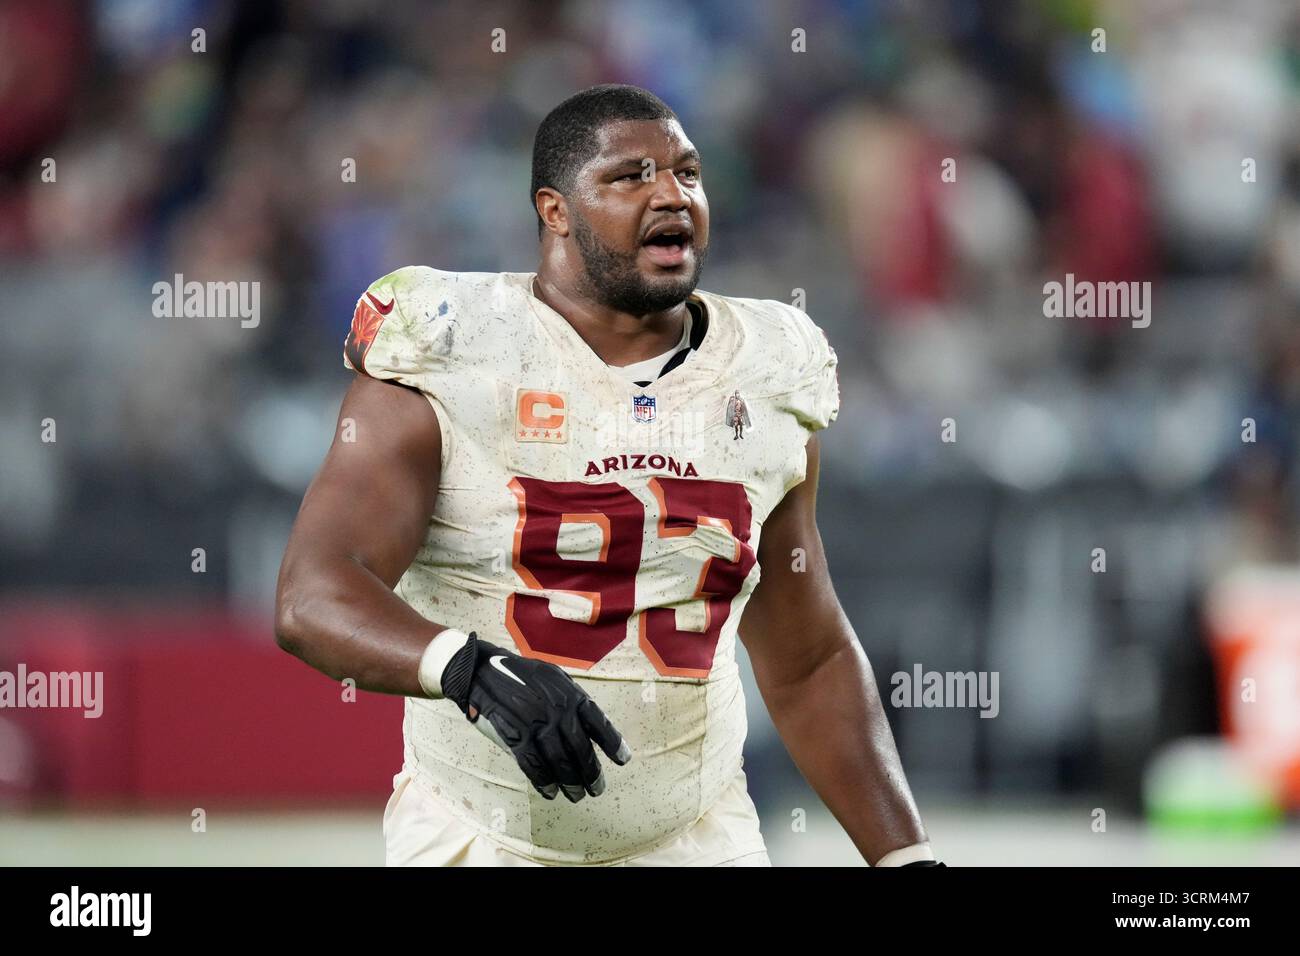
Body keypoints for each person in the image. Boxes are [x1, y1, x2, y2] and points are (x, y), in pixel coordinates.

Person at [275, 84, 940, 867]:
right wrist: (462, 663)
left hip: (696, 837)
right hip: (479, 839)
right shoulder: (451, 346)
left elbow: (807, 657)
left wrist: (905, 858)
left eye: (687, 173)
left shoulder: (767, 369)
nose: (671, 194)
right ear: (554, 210)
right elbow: (312, 594)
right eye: (630, 176)